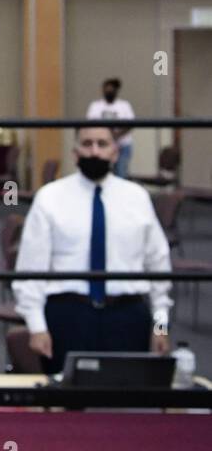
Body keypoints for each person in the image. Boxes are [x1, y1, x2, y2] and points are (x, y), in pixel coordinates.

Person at [13, 125, 172, 375]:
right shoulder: (49, 198)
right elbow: (30, 270)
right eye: (87, 144)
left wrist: (161, 328)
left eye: (102, 144)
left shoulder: (137, 198)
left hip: (128, 316)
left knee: (125, 403)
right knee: (67, 404)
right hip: (68, 315)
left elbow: (160, 271)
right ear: (75, 153)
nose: (94, 151)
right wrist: (36, 327)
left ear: (115, 153)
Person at [86, 78, 136, 178]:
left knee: (121, 174)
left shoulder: (124, 106)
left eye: (112, 89)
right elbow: (91, 123)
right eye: (107, 89)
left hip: (122, 146)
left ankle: (120, 193)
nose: (109, 92)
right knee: (100, 173)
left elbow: (130, 123)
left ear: (116, 91)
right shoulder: (96, 106)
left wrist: (116, 135)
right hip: (101, 146)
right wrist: (105, 136)